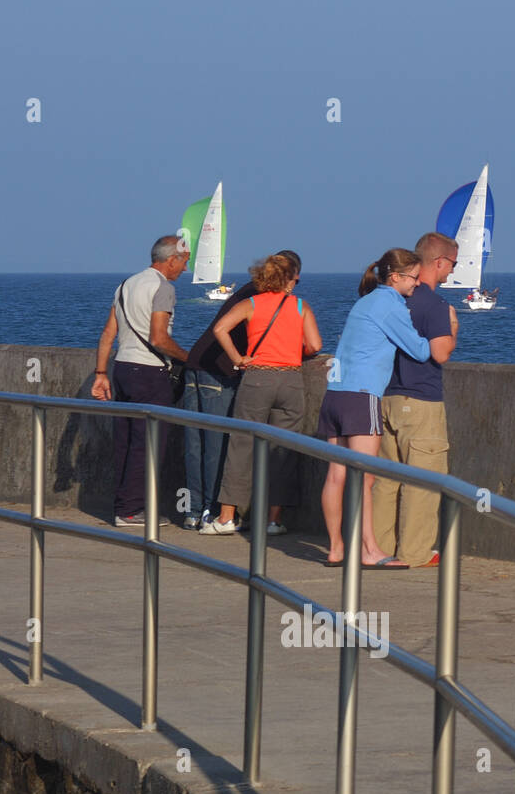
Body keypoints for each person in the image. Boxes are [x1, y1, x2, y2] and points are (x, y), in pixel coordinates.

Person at [318, 248, 433, 567]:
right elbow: (420, 350)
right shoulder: (388, 304)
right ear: (395, 277)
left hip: (335, 393)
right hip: (362, 395)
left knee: (335, 475)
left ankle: (336, 548)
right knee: (365, 478)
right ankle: (370, 550)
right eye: (414, 278)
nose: (417, 284)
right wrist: (445, 328)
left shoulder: (364, 301)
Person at [181, 250, 304, 532]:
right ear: (286, 277)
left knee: (195, 443)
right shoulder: (264, 298)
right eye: (294, 279)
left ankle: (193, 511)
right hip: (220, 371)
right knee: (219, 445)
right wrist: (239, 359)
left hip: (196, 364)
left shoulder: (250, 293)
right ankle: (214, 512)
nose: (294, 285)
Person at [372, 232, 459, 567]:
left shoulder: (391, 300)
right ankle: (416, 552)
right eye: (451, 264)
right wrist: (452, 329)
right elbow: (440, 354)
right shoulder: (434, 305)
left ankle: (379, 549)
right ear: (438, 262)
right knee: (423, 482)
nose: (451, 271)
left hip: (385, 397)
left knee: (385, 481)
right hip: (421, 401)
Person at [92, 235, 189, 526]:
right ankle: (132, 511)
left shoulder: (125, 285)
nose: (185, 268)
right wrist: (189, 358)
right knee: (148, 443)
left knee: (126, 441)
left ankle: (123, 505)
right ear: (171, 260)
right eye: (184, 262)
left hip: (122, 368)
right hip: (149, 373)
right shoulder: (163, 288)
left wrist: (100, 374)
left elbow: (109, 333)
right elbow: (159, 338)